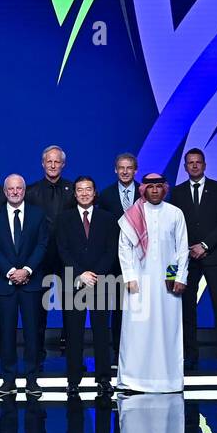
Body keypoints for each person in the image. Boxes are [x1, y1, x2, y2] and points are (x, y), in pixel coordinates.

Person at [117, 173, 189, 393]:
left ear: (164, 189)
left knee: (168, 329)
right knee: (137, 331)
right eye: (151, 187)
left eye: (159, 186)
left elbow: (180, 249)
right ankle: (133, 380)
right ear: (143, 190)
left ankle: (169, 381)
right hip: (139, 282)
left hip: (167, 285)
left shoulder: (175, 213)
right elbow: (124, 249)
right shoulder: (133, 215)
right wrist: (129, 277)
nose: (155, 190)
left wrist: (176, 278)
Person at [0, 175, 49, 398]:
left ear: (24, 190)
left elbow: (42, 245)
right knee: (6, 334)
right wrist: (11, 272)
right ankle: (8, 380)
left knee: (32, 334)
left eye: (19, 188)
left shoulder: (38, 215)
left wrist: (27, 270)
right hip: (4, 284)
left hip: (31, 284)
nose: (14, 192)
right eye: (10, 188)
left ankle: (32, 380)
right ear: (4, 191)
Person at [168, 148, 217, 370]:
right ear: (185, 167)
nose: (194, 166)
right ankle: (190, 355)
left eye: (198, 162)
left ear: (204, 165)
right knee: (187, 308)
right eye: (190, 163)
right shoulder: (177, 193)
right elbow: (175, 225)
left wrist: (204, 245)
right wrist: (189, 248)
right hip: (187, 258)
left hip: (213, 255)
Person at [56, 177, 116, 398]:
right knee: (74, 333)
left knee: (101, 332)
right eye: (79, 190)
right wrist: (81, 273)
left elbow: (111, 251)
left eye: (88, 189)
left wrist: (96, 274)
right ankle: (73, 380)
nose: (84, 193)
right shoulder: (64, 219)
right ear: (74, 193)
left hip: (101, 282)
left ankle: (103, 379)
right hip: (75, 281)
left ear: (95, 192)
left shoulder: (108, 219)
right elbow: (63, 250)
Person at [23, 146, 75, 371]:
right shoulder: (32, 191)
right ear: (43, 164)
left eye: (57, 162)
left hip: (68, 259)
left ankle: (73, 356)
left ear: (63, 165)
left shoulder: (74, 190)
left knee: (72, 310)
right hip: (40, 260)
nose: (53, 165)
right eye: (49, 162)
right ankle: (37, 357)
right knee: (37, 311)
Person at [96, 153, 140, 360]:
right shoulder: (104, 196)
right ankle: (117, 352)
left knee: (140, 309)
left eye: (129, 168)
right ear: (115, 169)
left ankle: (139, 353)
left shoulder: (145, 193)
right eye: (121, 168)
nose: (124, 171)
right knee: (117, 309)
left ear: (135, 170)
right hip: (113, 263)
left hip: (141, 262)